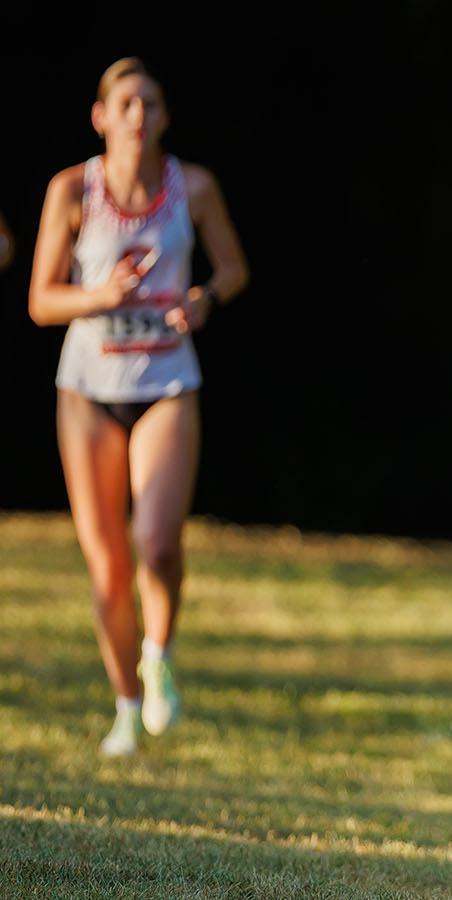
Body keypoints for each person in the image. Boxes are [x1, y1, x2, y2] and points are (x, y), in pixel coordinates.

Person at [28, 58, 248, 757]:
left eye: (149, 102)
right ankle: (125, 706)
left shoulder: (196, 187)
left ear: (164, 117)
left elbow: (234, 269)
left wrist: (203, 299)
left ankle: (159, 653)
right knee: (109, 566)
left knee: (157, 544)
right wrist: (100, 296)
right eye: (124, 102)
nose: (137, 114)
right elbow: (41, 301)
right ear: (100, 117)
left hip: (166, 385)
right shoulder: (71, 190)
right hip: (89, 391)